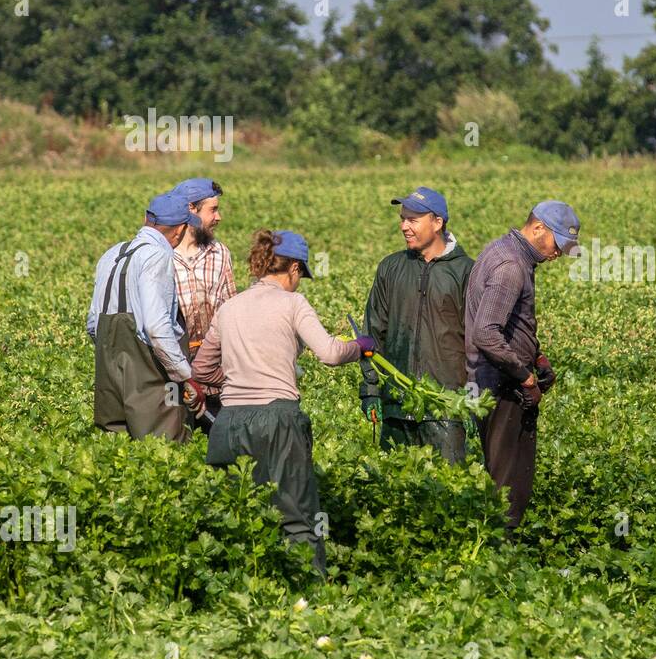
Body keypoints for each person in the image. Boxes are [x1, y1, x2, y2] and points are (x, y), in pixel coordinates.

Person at [191, 230, 374, 575]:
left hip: (229, 424)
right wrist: (361, 345)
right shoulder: (292, 304)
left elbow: (201, 369)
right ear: (292, 268)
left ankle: (240, 589)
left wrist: (234, 378)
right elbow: (330, 353)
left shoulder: (229, 308)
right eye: (300, 275)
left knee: (237, 512)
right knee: (298, 514)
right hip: (278, 419)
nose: (299, 283)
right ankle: (310, 591)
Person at [464, 201, 580, 528]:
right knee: (508, 484)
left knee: (507, 479)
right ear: (537, 228)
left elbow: (512, 325)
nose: (560, 251)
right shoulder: (511, 266)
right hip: (501, 388)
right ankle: (498, 556)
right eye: (557, 241)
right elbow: (486, 334)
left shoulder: (504, 252)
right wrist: (526, 378)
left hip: (497, 382)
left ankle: (499, 551)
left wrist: (537, 357)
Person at [360, 186, 473, 462]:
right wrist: (371, 390)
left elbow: (477, 341)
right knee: (395, 493)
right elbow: (372, 335)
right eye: (402, 219)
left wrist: (473, 398)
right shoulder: (390, 268)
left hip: (445, 408)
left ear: (437, 223)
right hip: (396, 407)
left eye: (413, 220)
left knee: (446, 494)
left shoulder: (466, 271)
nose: (404, 227)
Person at [87, 192, 199, 442]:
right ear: (180, 230)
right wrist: (184, 374)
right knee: (163, 451)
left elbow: (93, 324)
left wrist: (113, 353)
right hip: (149, 373)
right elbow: (156, 327)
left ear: (146, 219)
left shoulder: (111, 254)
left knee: (115, 448)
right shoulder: (158, 256)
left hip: (108, 367)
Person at [169, 177, 236, 430]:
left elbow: (230, 313)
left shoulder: (220, 254)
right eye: (213, 209)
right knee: (176, 440)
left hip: (213, 376)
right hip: (174, 376)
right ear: (191, 211)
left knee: (216, 441)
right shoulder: (162, 257)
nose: (218, 217)